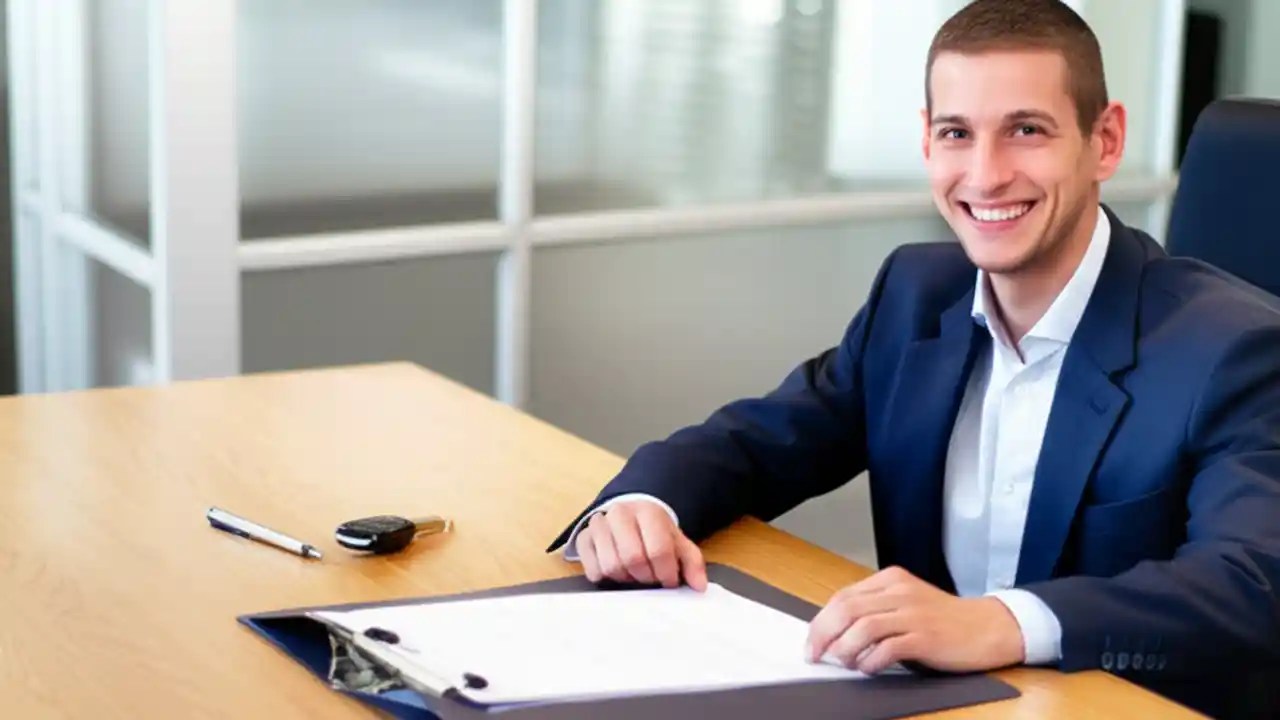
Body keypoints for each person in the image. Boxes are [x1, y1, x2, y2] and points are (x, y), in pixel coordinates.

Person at [547, 0, 1280, 716]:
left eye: (1026, 130)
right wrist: (643, 504)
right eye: (958, 133)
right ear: (927, 142)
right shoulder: (915, 292)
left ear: (1106, 140)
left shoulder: (1231, 348)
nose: (986, 175)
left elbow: (1249, 583)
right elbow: (764, 440)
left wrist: (1000, 621)